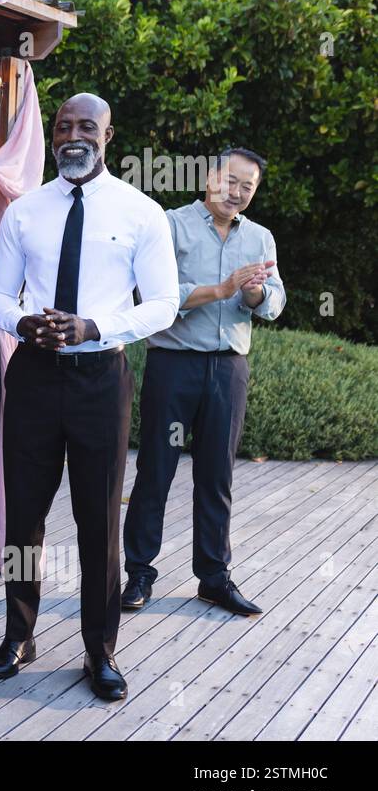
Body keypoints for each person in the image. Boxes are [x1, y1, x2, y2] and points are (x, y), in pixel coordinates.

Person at [0, 93, 179, 702]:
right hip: (35, 378)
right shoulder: (25, 211)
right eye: (64, 125)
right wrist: (21, 325)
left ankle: (101, 651)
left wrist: (95, 328)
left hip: (100, 380)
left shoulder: (142, 212)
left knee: (99, 522)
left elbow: (163, 304)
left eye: (86, 127)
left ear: (107, 135)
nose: (73, 135)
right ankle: (19, 635)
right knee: (23, 521)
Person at [123, 148, 284, 616]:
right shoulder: (170, 225)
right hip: (174, 363)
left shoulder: (260, 237)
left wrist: (255, 294)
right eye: (230, 181)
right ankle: (139, 575)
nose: (236, 193)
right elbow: (153, 295)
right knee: (155, 470)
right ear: (209, 177)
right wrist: (223, 288)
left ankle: (214, 577)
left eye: (247, 187)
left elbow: (274, 300)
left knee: (218, 476)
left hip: (229, 370)